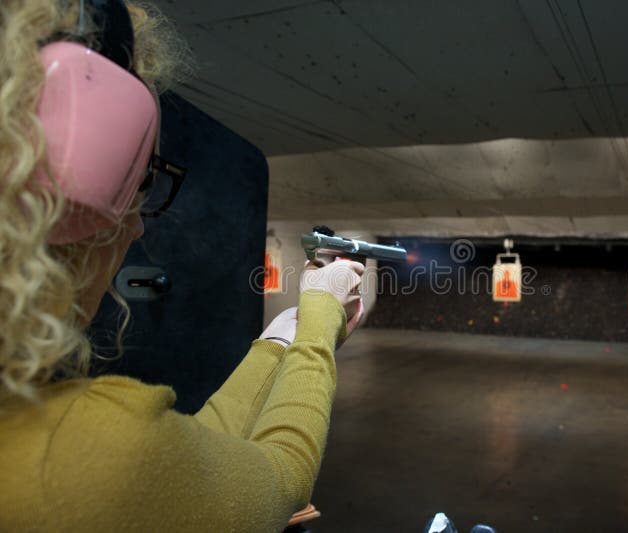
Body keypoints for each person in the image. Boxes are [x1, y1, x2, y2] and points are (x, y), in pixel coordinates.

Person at [0, 1, 364, 530]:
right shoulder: (71, 458)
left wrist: (279, 341)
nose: (138, 225)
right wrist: (322, 317)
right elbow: (280, 479)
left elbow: (191, 458)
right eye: (136, 177)